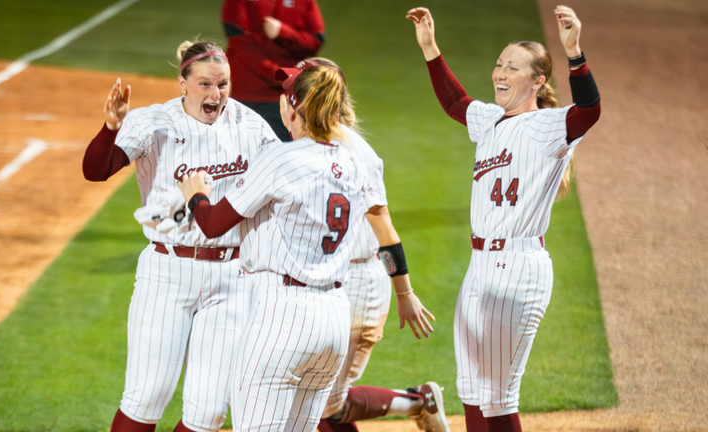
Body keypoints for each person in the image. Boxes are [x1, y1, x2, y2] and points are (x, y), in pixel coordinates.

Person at [177, 61, 435, 432]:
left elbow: (214, 225)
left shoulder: (282, 158)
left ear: (291, 107)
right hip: (334, 316)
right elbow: (385, 228)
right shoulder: (357, 159)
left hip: (283, 317)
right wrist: (404, 290)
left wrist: (197, 196)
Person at [406, 5, 600, 432]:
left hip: (519, 268)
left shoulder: (549, 126)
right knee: (473, 389)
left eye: (512, 67)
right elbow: (456, 101)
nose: (500, 73)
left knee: (498, 394)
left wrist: (574, 53)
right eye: (498, 64)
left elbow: (589, 111)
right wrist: (430, 47)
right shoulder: (491, 120)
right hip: (480, 267)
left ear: (537, 81)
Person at [82, 39, 280, 432]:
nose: (216, 94)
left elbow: (278, 189)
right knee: (146, 396)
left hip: (231, 277)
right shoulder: (152, 122)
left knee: (208, 412)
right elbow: (95, 171)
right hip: (166, 273)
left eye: (222, 84)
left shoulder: (251, 126)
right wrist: (111, 127)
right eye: (205, 84)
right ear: (183, 84)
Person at [300, 58, 448, 432]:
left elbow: (384, 229)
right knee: (316, 398)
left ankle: (419, 402)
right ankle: (420, 401)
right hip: (328, 282)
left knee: (325, 405)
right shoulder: (305, 147)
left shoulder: (354, 152)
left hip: (358, 283)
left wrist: (405, 292)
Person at [222, 0, 325, 140]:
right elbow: (240, 43)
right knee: (239, 158)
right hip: (244, 97)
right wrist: (280, 75)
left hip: (286, 99)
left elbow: (315, 42)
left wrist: (283, 32)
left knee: (285, 157)